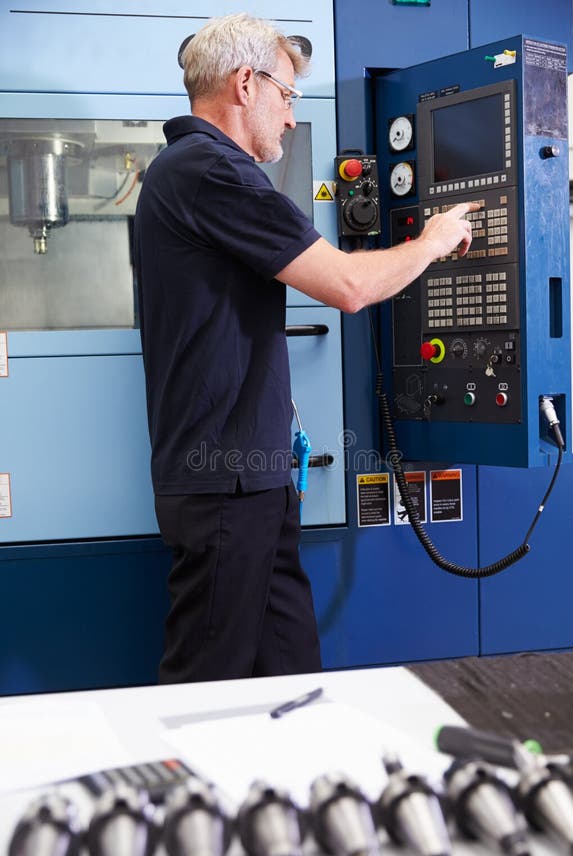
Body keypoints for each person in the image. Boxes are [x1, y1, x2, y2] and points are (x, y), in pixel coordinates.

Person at [133, 13, 476, 685]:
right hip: (225, 484)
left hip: (250, 481)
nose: (291, 118)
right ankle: (176, 790)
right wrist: (431, 242)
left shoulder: (185, 172)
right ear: (244, 83)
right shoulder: (212, 172)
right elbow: (347, 286)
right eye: (287, 95)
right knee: (206, 687)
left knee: (289, 676)